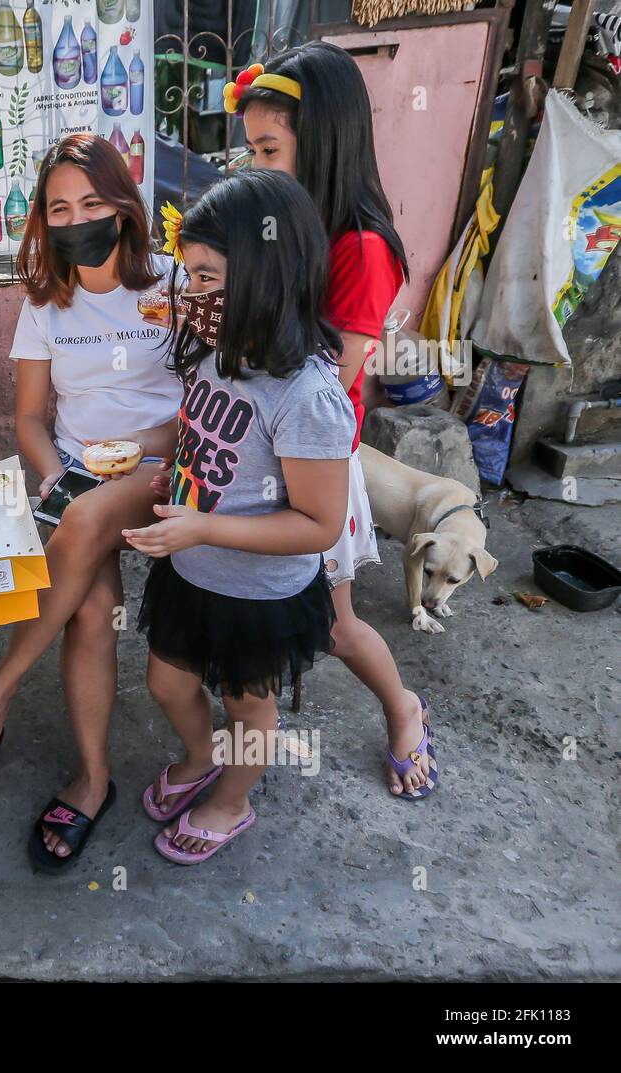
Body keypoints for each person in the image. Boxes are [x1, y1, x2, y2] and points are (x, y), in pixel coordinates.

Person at [0, 133, 181, 871]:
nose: (78, 219)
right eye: (61, 207)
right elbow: (31, 419)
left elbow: (200, 404)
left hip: (160, 467)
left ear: (125, 207)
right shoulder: (46, 300)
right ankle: (94, 779)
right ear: (44, 218)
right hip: (70, 475)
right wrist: (50, 472)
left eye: (93, 202)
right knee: (95, 610)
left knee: (92, 513)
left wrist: (134, 450)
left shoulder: (171, 283)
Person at [123, 169, 356, 863]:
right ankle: (201, 759)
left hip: (258, 597)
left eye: (206, 278)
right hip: (190, 572)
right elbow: (198, 427)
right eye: (188, 278)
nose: (191, 295)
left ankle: (234, 799)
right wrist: (139, 445)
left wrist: (202, 525)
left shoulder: (309, 396)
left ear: (266, 274)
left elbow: (319, 524)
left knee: (248, 709)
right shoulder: (220, 355)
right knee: (166, 680)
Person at [232, 42, 437, 799]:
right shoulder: (287, 219)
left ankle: (404, 709)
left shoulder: (361, 246)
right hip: (258, 448)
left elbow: (333, 378)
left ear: (322, 140)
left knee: (333, 621)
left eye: (269, 150)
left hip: (311, 461)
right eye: (251, 150)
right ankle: (247, 731)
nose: (256, 166)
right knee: (250, 597)